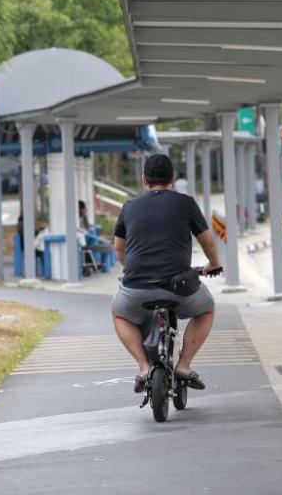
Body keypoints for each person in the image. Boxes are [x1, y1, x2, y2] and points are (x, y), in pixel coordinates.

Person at [111, 154, 222, 393]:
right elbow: (208, 242)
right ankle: (184, 365)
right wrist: (214, 263)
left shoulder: (129, 207)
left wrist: (129, 268)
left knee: (120, 314)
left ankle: (143, 367)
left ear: (144, 180)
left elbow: (119, 248)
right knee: (207, 309)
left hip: (137, 286)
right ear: (172, 179)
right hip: (178, 286)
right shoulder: (186, 203)